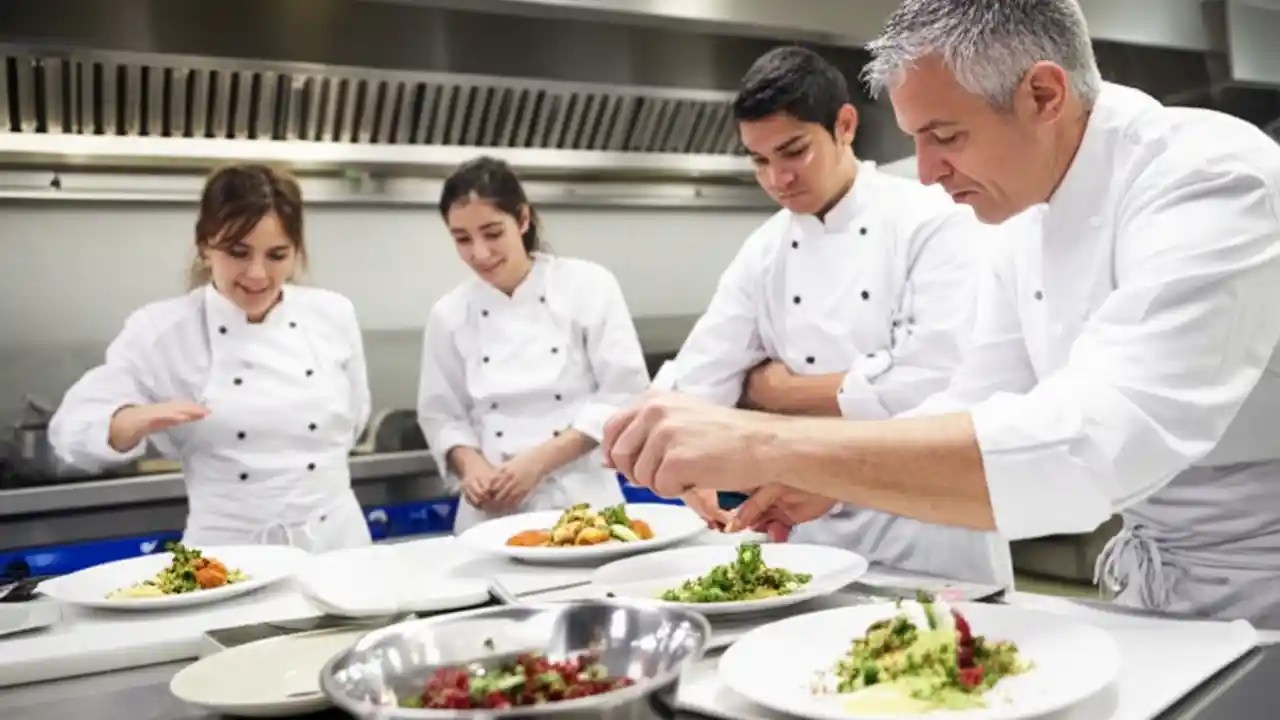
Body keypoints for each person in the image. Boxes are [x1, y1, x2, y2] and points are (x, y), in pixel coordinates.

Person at [602, 0, 1280, 626]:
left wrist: (767, 440)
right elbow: (976, 395)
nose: (925, 172)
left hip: (1264, 582)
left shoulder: (1210, 179)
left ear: (1043, 94)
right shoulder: (1024, 214)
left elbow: (1095, 444)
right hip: (1158, 590)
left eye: (945, 135)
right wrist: (821, 480)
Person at [655, 45, 1008, 586]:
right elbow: (705, 366)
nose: (778, 178)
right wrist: (682, 459)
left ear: (844, 126)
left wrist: (779, 392)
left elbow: (932, 381)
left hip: (928, 532)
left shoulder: (930, 218)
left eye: (793, 151)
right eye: (759, 160)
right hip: (809, 543)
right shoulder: (764, 250)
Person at [50, 164, 374, 551]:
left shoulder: (333, 315)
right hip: (227, 560)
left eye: (277, 255)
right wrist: (128, 421)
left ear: (296, 252)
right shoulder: (162, 330)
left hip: (339, 548)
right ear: (206, 245)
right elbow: (70, 431)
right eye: (238, 252)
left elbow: (354, 421)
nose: (257, 273)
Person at [417, 156, 651, 533]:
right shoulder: (449, 313)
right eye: (462, 239)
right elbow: (441, 414)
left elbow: (624, 394)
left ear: (523, 220)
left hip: (583, 504)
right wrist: (472, 467)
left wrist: (538, 462)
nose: (479, 252)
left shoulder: (587, 285)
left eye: (493, 233)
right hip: (491, 515)